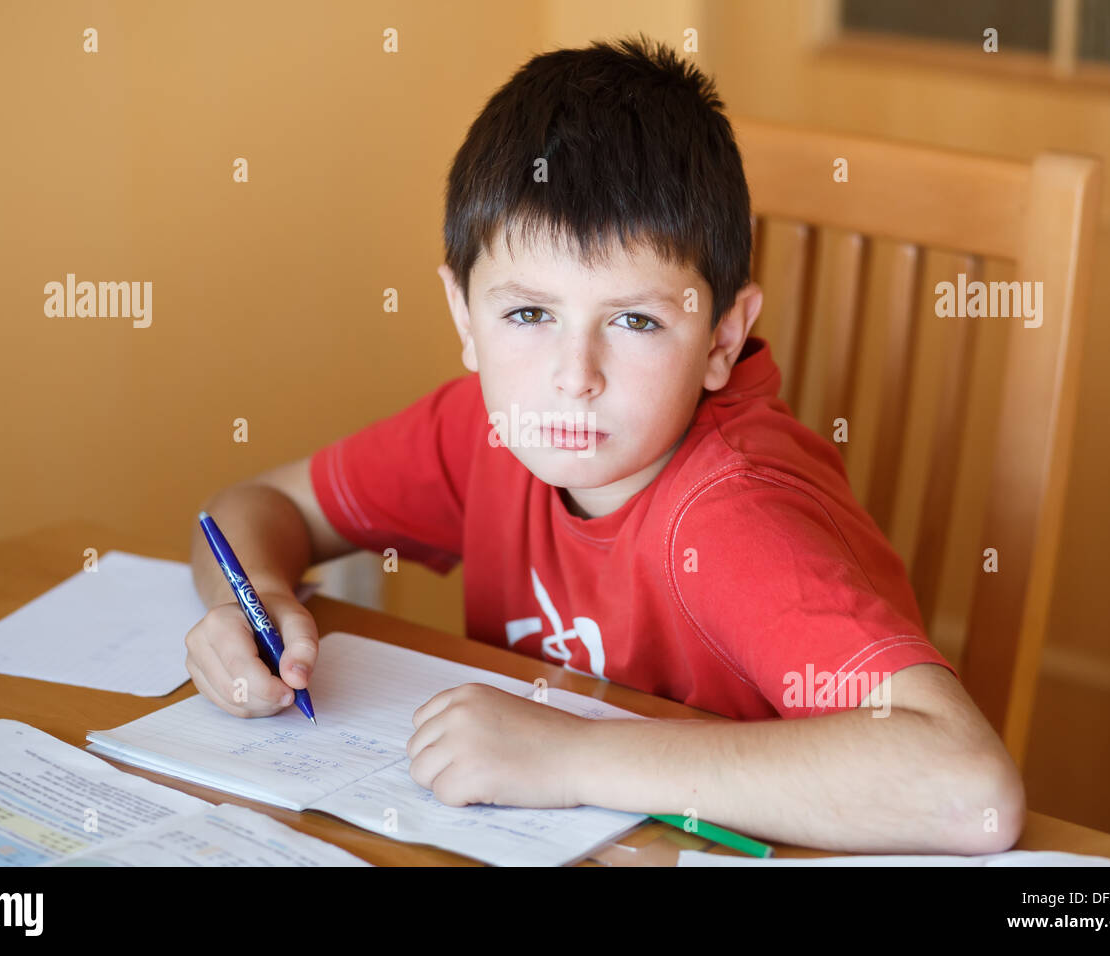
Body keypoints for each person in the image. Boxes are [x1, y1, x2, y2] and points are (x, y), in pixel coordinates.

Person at [185, 35, 1025, 854]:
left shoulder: (732, 520)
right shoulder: (487, 428)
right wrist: (249, 597)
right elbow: (259, 506)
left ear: (724, 339)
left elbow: (969, 793)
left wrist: (571, 756)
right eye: (528, 314)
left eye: (634, 320)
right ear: (462, 317)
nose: (573, 375)